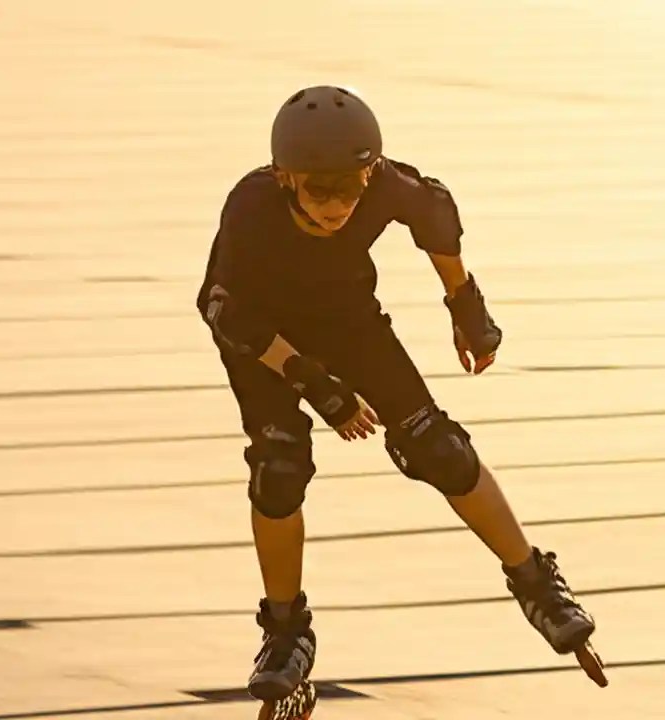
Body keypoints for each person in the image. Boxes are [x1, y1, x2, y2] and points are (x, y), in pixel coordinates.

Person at [195, 85, 597, 702]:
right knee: (279, 467)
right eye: (320, 190)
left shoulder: (385, 184)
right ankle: (285, 631)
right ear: (284, 178)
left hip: (345, 318)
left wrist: (464, 303)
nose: (337, 206)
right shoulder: (251, 208)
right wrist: (316, 386)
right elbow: (225, 311)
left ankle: (536, 582)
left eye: (350, 189)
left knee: (438, 447)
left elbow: (434, 212)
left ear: (370, 172)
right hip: (261, 338)